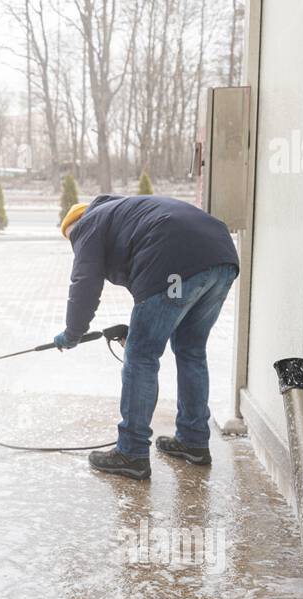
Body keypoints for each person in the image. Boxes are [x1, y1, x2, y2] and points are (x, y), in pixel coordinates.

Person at [54, 195, 239, 481]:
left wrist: (72, 333)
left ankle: (132, 453)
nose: (76, 246)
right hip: (221, 256)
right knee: (191, 350)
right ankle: (194, 440)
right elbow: (151, 285)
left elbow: (85, 282)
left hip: (176, 262)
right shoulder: (123, 213)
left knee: (142, 357)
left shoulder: (86, 225)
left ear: (74, 225)